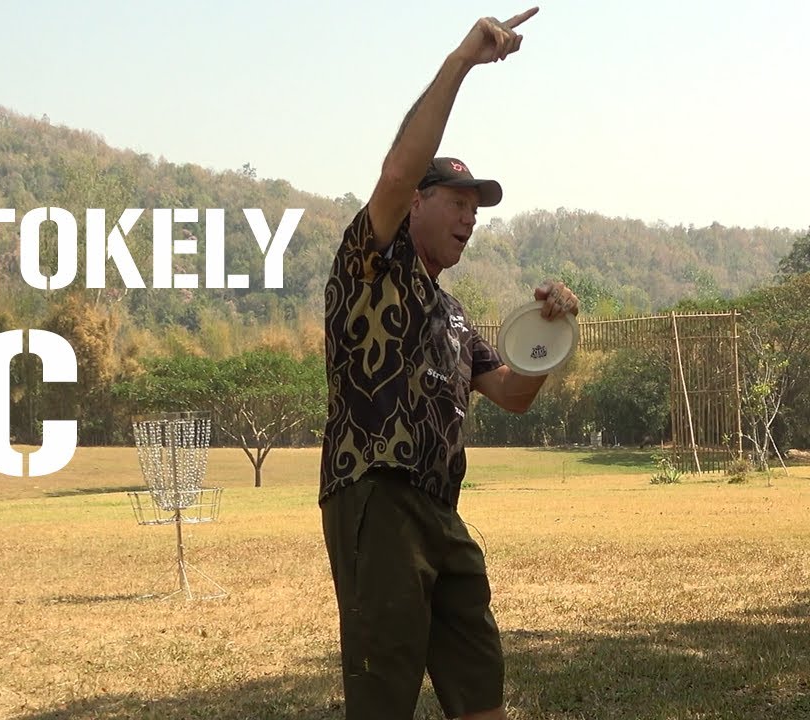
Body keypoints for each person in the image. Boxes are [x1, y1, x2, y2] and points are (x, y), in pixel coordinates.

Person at [320, 8, 580, 720]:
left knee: (479, 685)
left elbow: (514, 393)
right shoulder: (371, 265)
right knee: (384, 696)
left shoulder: (456, 316)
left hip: (442, 510)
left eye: (477, 209)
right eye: (458, 202)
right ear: (416, 205)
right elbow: (397, 169)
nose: (470, 217)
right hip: (376, 494)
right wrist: (463, 60)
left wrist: (547, 339)